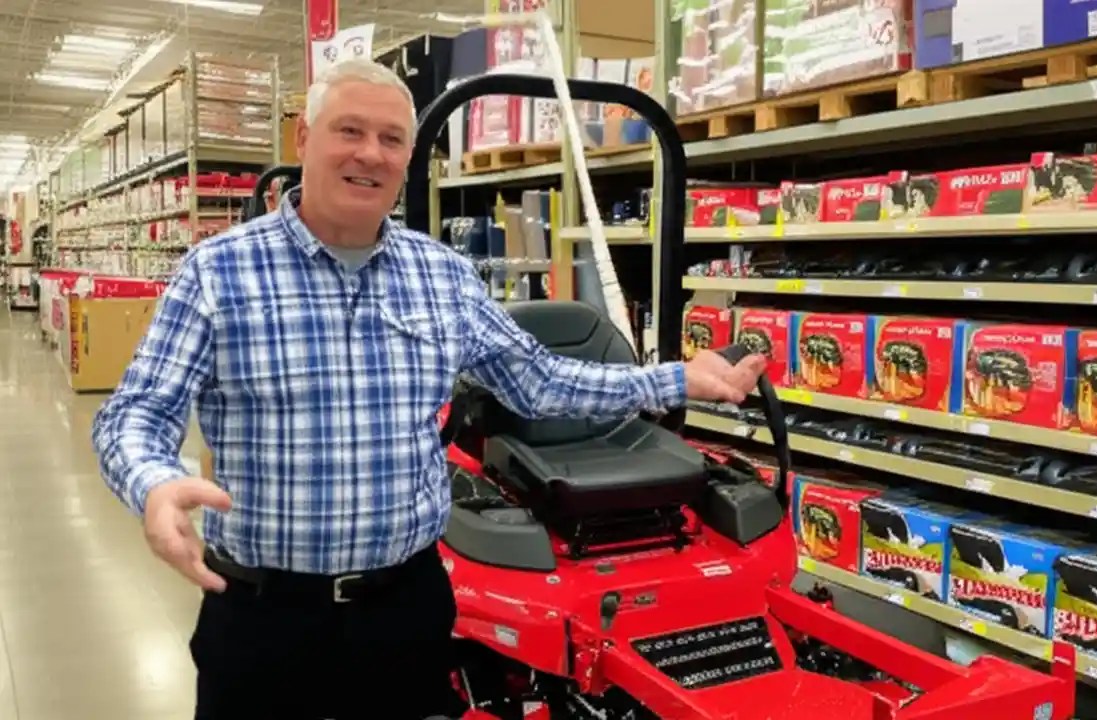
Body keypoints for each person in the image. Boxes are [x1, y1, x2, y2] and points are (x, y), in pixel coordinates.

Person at [91, 58, 766, 720]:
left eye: (391, 140)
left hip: (403, 611)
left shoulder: (440, 274)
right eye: (349, 131)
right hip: (263, 617)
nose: (371, 154)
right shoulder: (218, 271)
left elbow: (536, 379)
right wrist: (153, 485)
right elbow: (136, 413)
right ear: (304, 139)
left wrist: (680, 377)